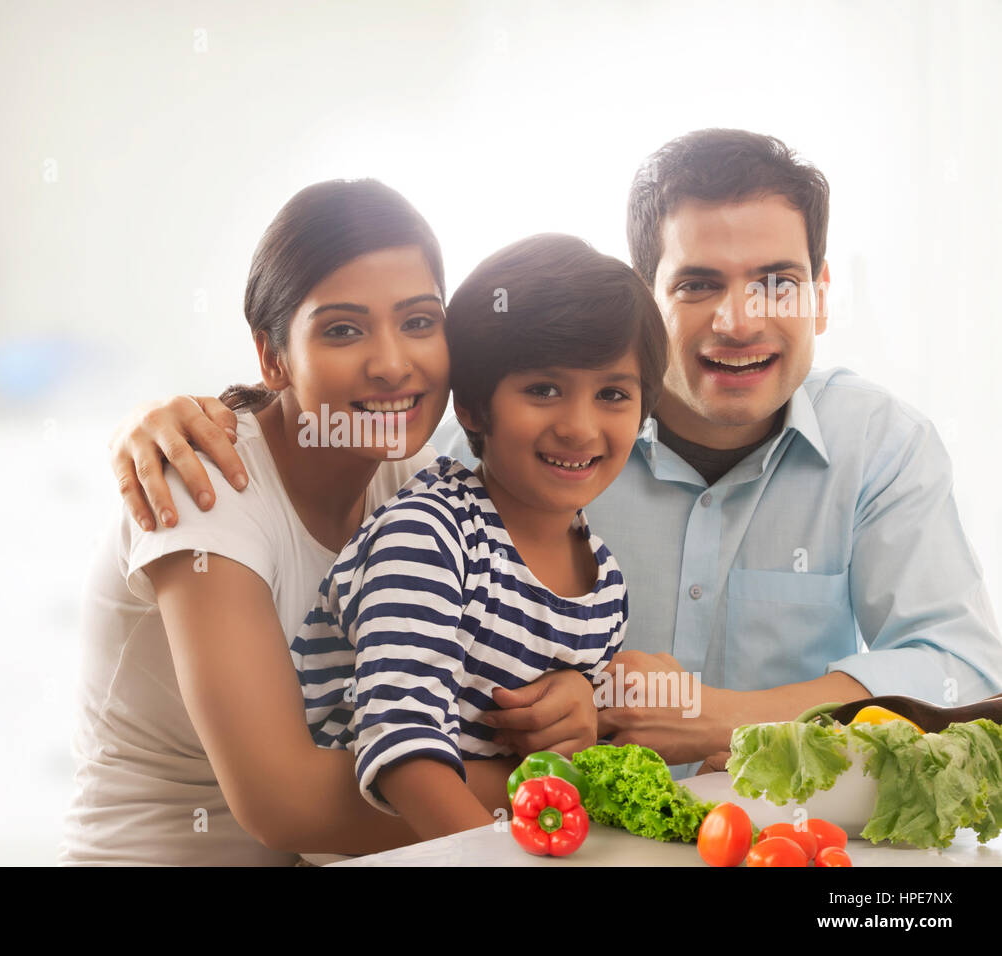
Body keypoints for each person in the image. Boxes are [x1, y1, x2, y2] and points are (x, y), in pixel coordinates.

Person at [115, 130, 1002, 778]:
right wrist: (200, 411)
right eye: (698, 284)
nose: (741, 321)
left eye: (777, 281)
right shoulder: (508, 437)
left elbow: (961, 666)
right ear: (643, 298)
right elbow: (365, 408)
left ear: (820, 294)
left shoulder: (880, 446)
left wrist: (712, 720)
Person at [59, 179, 589, 866]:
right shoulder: (203, 488)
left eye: (420, 321)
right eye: (343, 329)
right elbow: (288, 804)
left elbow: (482, 678)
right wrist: (558, 787)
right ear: (272, 356)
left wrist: (569, 700)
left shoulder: (416, 480)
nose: (393, 363)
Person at [290, 234, 667, 840]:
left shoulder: (606, 584)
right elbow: (402, 746)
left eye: (613, 394)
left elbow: (566, 757)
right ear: (470, 408)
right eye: (542, 390)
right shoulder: (431, 535)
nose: (579, 426)